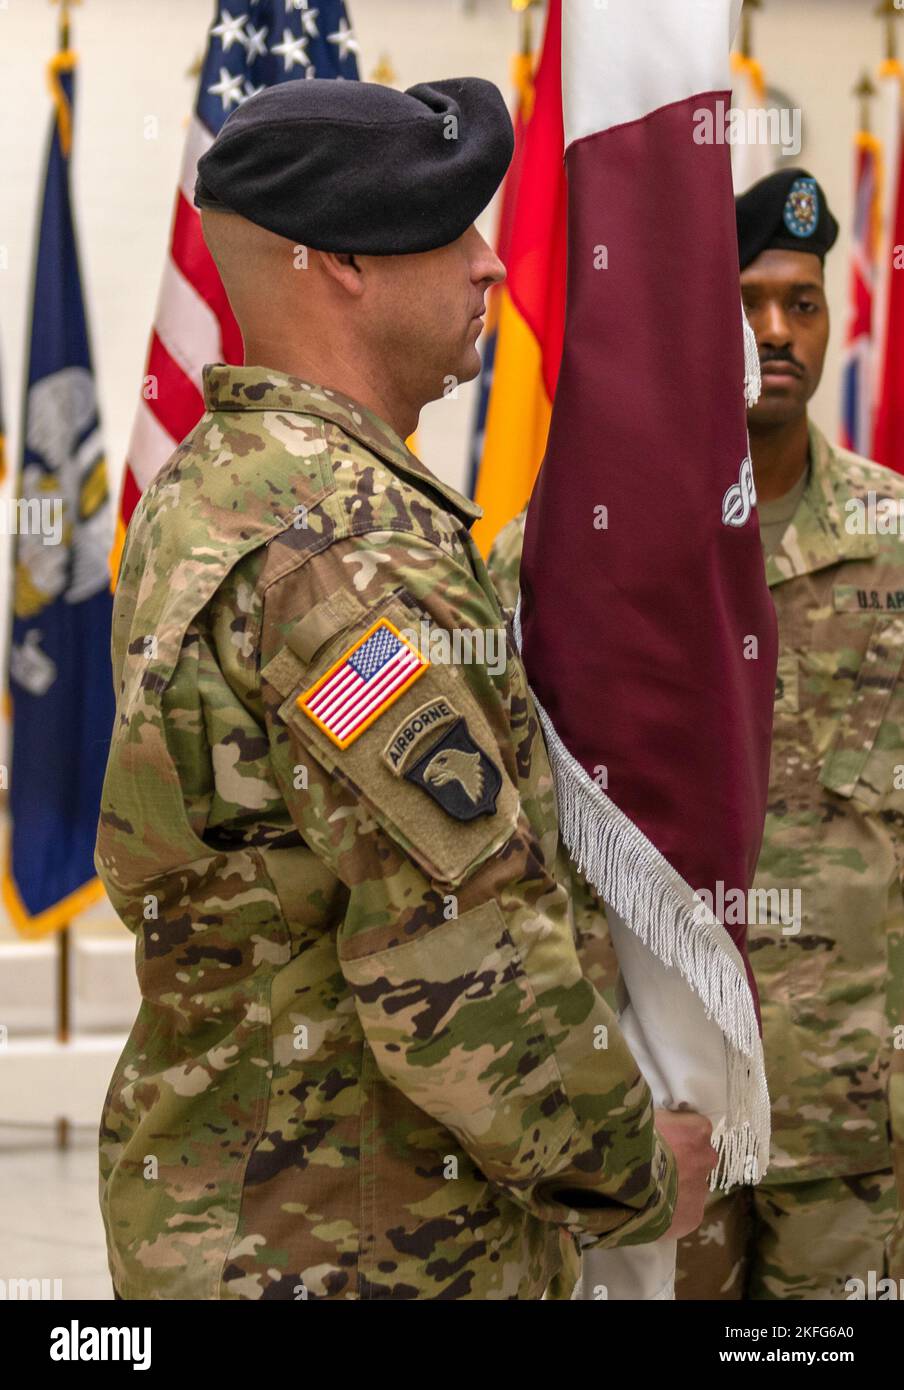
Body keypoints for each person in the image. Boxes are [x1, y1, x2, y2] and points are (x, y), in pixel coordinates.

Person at [96, 76, 713, 1302]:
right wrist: (640, 1174)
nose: (492, 268)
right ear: (337, 262)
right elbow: (458, 960)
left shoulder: (216, 485)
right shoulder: (348, 551)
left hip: (242, 1210)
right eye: (445, 228)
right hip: (362, 1241)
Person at [491, 167, 904, 1299]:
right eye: (747, 300)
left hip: (851, 1116)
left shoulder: (893, 540)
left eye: (802, 302)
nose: (776, 330)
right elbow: (518, 846)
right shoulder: (576, 552)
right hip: (667, 1106)